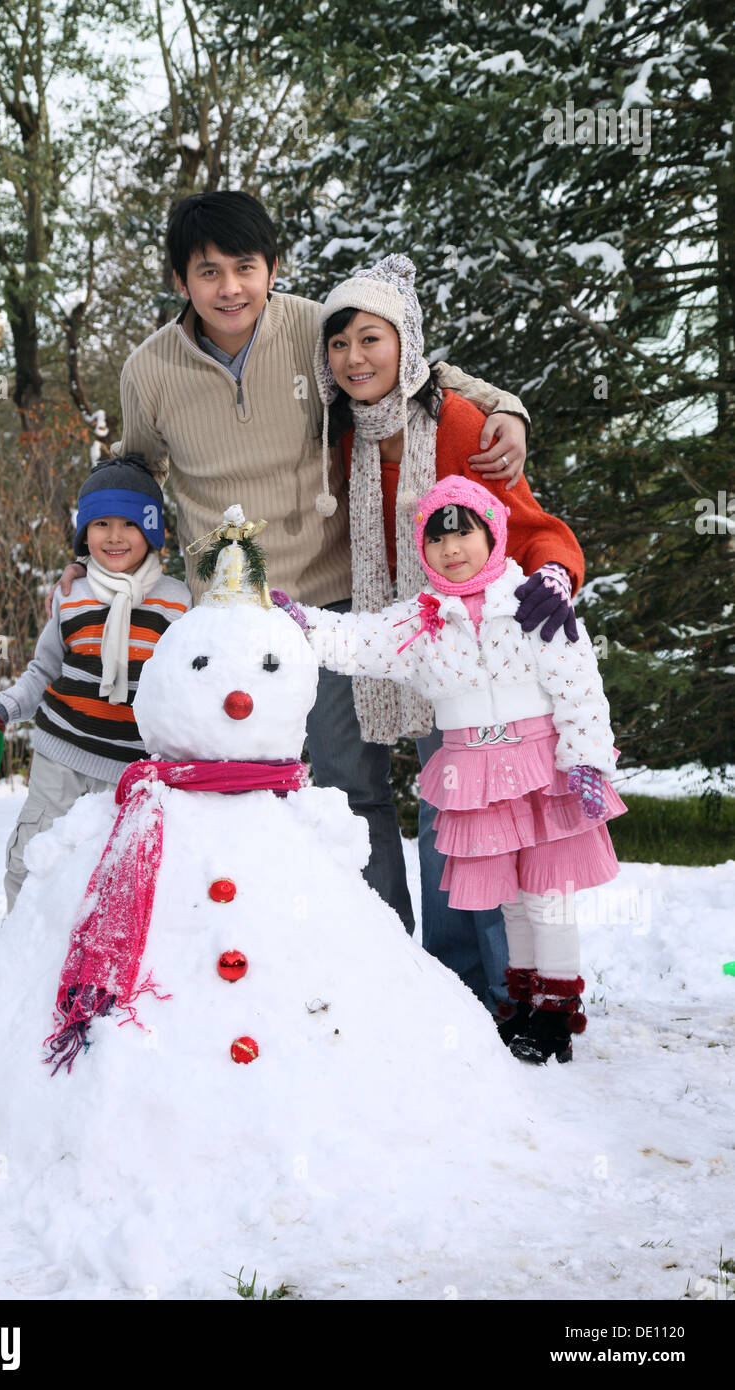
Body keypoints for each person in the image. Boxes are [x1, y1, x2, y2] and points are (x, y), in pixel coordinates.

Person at [53, 190, 531, 937]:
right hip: (233, 620)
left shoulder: (314, 328)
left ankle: (397, 967)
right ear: (181, 281)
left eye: (247, 267)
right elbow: (134, 475)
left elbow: (406, 366)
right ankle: (278, 958)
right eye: (209, 272)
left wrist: (505, 404)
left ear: (272, 267)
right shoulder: (148, 371)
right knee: (238, 791)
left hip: (337, 600)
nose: (230, 288)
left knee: (352, 786)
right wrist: (89, 560)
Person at [304, 252, 585, 1015]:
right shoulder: (337, 432)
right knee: (353, 796)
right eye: (340, 344)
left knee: (456, 813)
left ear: (405, 342)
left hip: (458, 643)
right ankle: (387, 967)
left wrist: (553, 578)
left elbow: (534, 529)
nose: (355, 358)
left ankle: (473, 987)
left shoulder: (457, 421)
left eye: (372, 339)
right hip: (374, 629)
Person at [291, 475, 626, 1063]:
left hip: (543, 768)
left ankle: (555, 1015)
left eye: (464, 533)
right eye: (437, 540)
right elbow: (356, 640)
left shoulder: (532, 602)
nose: (452, 550)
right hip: (477, 773)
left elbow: (579, 686)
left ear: (493, 533)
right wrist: (299, 623)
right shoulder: (422, 623)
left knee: (549, 899)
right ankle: (520, 1005)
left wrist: (588, 760)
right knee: (512, 903)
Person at [0, 456, 190, 909]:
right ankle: (18, 961)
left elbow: (187, 691)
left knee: (108, 881)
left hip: (130, 772)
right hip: (60, 757)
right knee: (33, 861)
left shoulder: (178, 605)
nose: (114, 536)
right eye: (101, 523)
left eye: (128, 524)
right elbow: (42, 672)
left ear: (152, 530)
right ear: (85, 534)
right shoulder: (72, 596)